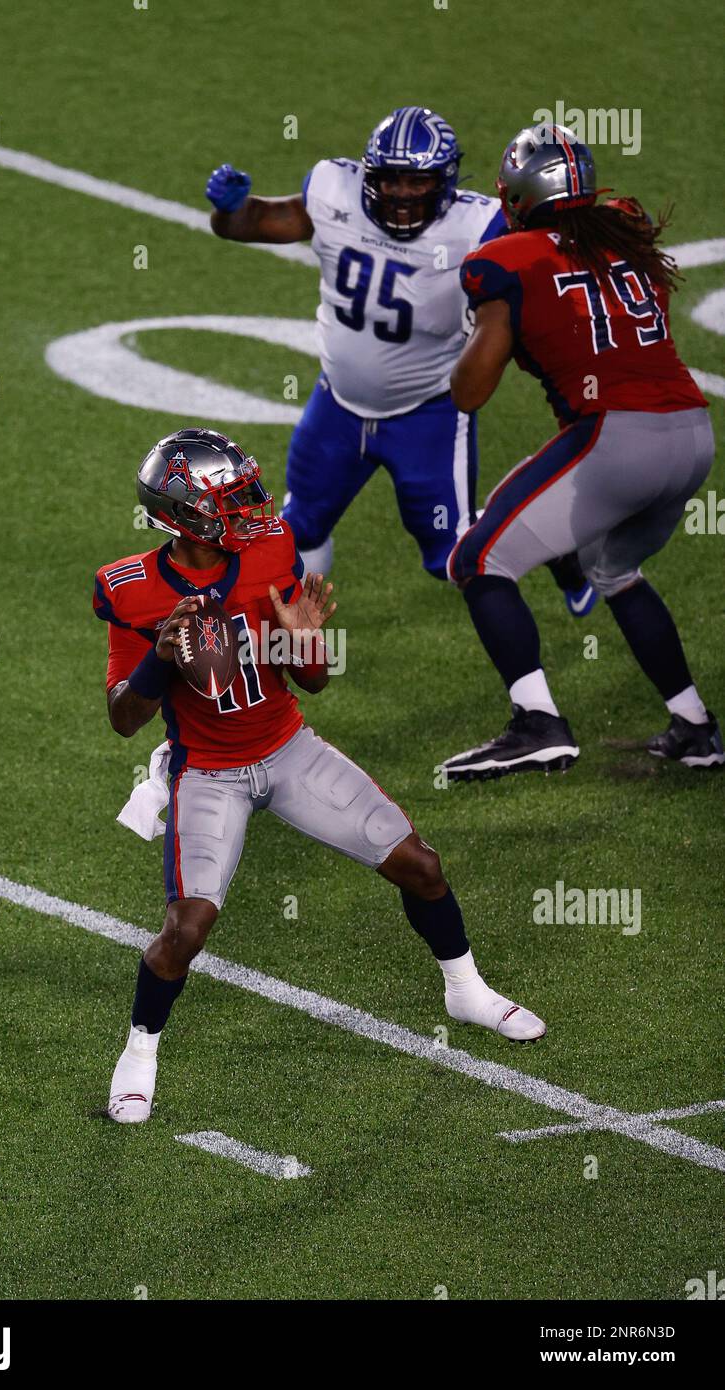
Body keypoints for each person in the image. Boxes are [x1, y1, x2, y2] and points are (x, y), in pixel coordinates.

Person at [94, 427, 546, 1122]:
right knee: (185, 929)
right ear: (185, 516)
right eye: (233, 499)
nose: (252, 509)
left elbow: (313, 680)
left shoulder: (272, 546)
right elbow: (125, 717)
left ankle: (466, 989)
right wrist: (160, 656)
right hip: (207, 770)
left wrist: (304, 639)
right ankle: (140, 1051)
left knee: (420, 865)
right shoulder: (130, 591)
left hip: (286, 748)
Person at [206, 108, 596, 617]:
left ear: (446, 180)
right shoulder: (332, 191)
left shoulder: (478, 226)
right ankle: (295, 638)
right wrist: (229, 210)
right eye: (392, 180)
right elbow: (254, 222)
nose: (404, 195)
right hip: (338, 406)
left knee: (450, 557)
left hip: (427, 414)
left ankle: (557, 548)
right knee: (299, 528)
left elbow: (553, 264)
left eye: (419, 182)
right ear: (371, 176)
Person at [439, 123, 721, 780]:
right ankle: (697, 727)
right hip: (691, 435)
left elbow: (469, 392)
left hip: (616, 440)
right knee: (614, 569)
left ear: (517, 196)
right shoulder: (625, 231)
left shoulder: (505, 262)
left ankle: (537, 722)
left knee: (479, 559)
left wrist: (481, 322)